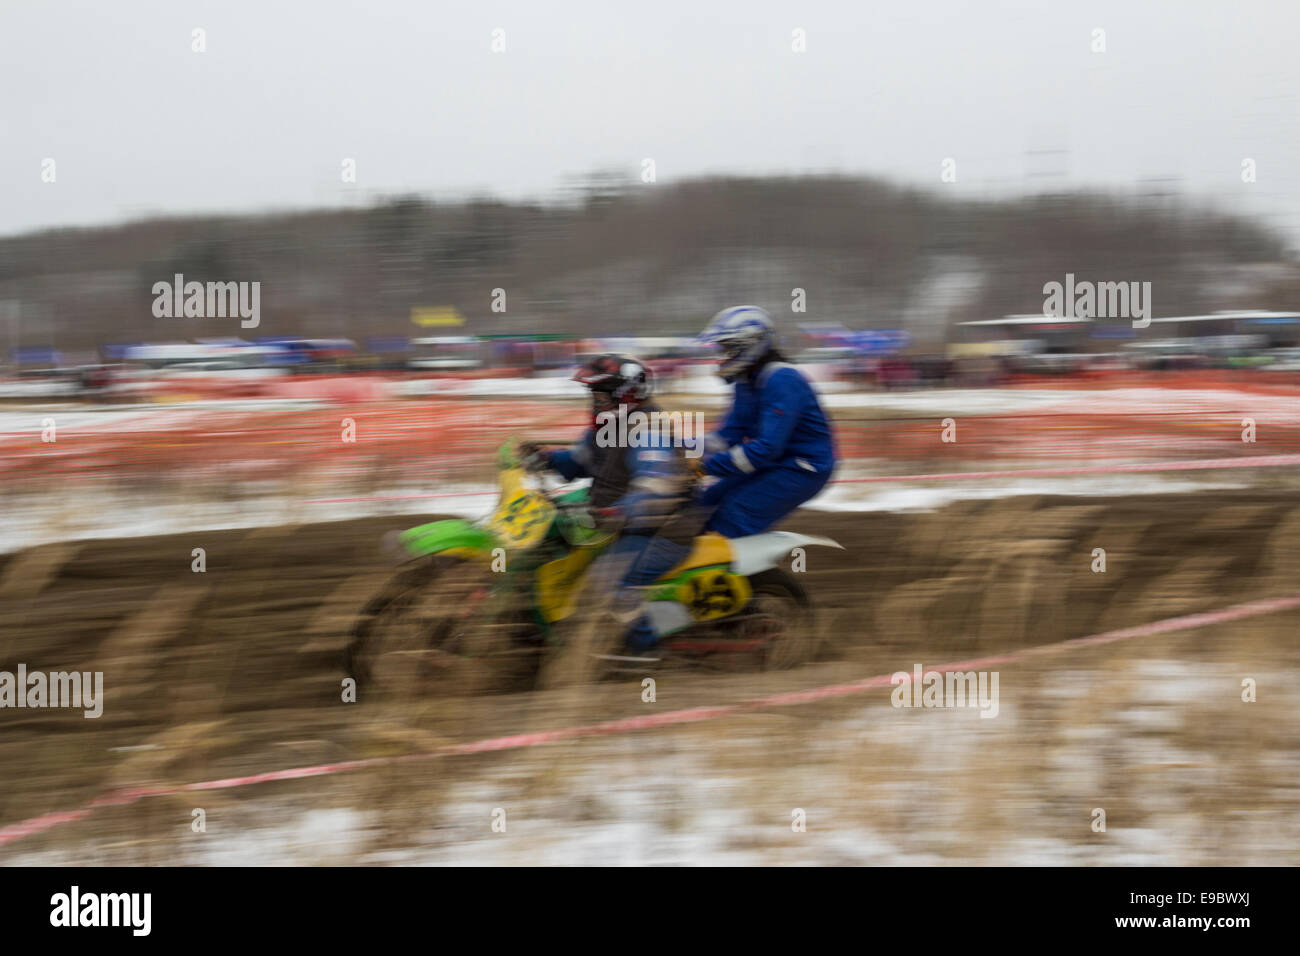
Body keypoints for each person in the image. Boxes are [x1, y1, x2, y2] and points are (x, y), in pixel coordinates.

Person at [522, 354, 705, 656]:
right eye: (593, 396)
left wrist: (620, 510)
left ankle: (645, 649)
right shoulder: (608, 429)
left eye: (601, 396)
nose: (594, 404)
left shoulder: (649, 431)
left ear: (625, 396)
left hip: (663, 530)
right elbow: (580, 460)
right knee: (550, 543)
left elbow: (654, 487)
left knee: (606, 580)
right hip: (621, 523)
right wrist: (546, 458)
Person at [696, 305, 837, 537]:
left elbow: (767, 448)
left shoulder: (782, 379)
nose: (723, 357)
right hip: (775, 462)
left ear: (751, 345)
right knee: (704, 502)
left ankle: (736, 569)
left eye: (729, 348)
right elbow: (727, 436)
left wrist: (703, 467)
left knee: (734, 515)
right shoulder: (746, 381)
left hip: (804, 468)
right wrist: (679, 451)